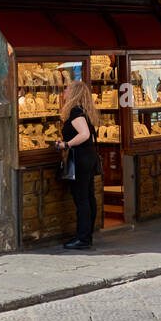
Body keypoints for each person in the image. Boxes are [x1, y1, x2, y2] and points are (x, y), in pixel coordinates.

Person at [56, 79, 100, 250]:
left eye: (67, 89)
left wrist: (66, 144)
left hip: (81, 158)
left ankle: (82, 238)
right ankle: (86, 234)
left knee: (81, 198)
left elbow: (84, 134)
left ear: (73, 92)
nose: (64, 91)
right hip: (88, 157)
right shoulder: (84, 111)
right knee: (88, 197)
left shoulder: (75, 112)